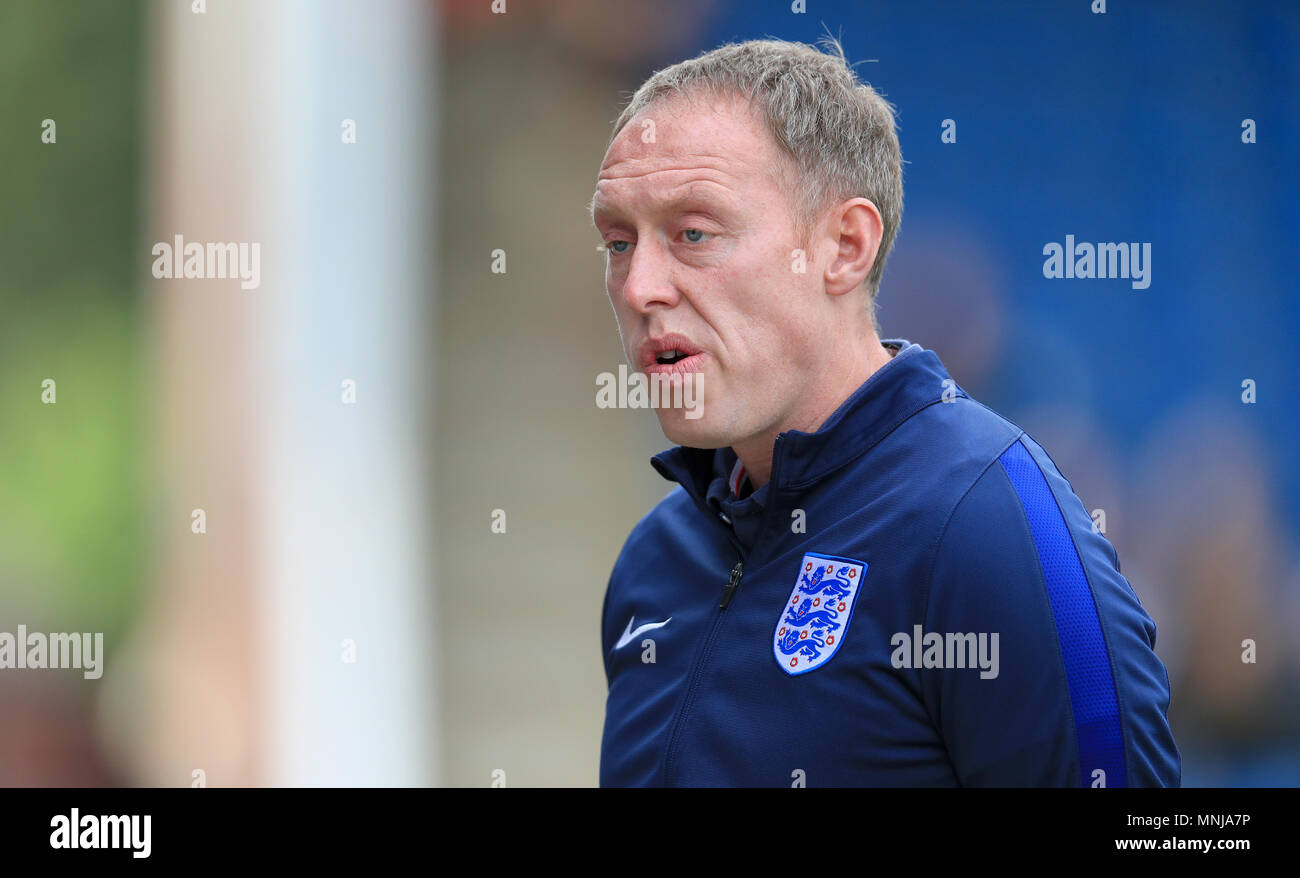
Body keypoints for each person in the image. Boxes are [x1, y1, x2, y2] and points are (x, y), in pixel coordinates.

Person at [590, 37, 1179, 786]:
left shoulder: (986, 524)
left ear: (844, 246)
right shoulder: (655, 562)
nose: (639, 286)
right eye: (617, 241)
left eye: (693, 234)